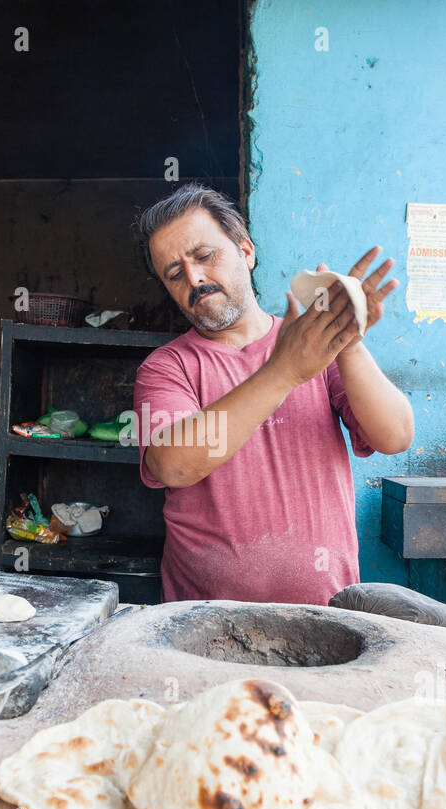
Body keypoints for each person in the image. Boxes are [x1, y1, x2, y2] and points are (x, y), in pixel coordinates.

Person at [132, 183, 414, 604]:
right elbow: (173, 467)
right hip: (204, 622)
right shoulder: (166, 367)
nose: (194, 278)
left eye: (205, 256)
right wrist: (284, 371)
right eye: (174, 274)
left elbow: (394, 437)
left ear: (246, 251)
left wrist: (347, 341)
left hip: (326, 614)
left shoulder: (314, 343)